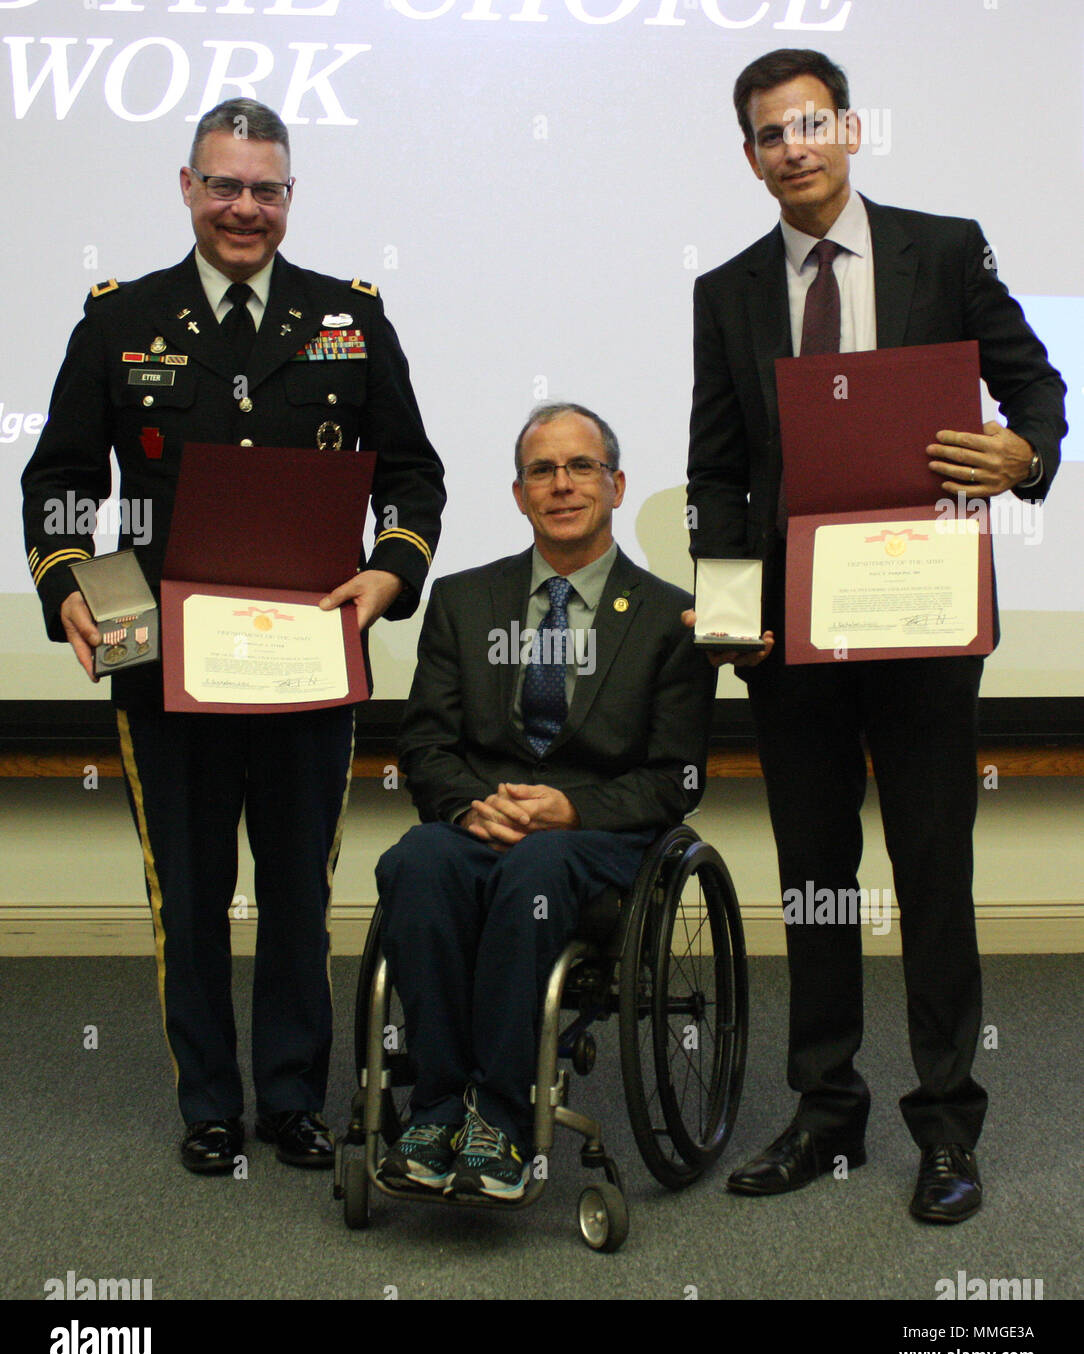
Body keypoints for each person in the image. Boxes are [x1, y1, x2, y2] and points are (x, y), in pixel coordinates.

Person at [21, 99, 445, 1175]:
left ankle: (295, 1098)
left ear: (289, 199)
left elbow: (412, 474)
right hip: (163, 665)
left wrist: (391, 569)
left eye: (266, 189)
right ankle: (210, 1102)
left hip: (309, 659)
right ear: (187, 187)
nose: (244, 208)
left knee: (300, 886)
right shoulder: (121, 320)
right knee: (191, 888)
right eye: (225, 185)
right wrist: (71, 582)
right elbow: (63, 483)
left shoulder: (349, 317)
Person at [686, 50, 1066, 1222]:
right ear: (748, 156)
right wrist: (727, 606)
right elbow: (716, 470)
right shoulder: (729, 288)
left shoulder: (942, 249)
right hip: (794, 640)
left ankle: (947, 1124)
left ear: (848, 128)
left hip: (925, 620)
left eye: (809, 124)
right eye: (767, 134)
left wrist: (1029, 454)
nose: (791, 148)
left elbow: (1036, 384)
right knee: (814, 880)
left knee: (931, 875)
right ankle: (825, 1110)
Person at [374, 402, 716, 1200]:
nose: (562, 485)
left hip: (597, 841)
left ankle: (496, 1111)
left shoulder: (671, 618)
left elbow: (678, 779)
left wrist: (571, 812)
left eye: (581, 467)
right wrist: (467, 809)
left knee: (537, 867)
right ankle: (433, 1109)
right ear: (520, 495)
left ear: (617, 484)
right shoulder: (462, 601)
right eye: (542, 471)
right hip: (482, 823)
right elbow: (425, 746)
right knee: (417, 858)